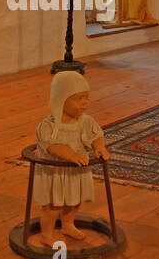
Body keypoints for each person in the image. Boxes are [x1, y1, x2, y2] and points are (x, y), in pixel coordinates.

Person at [34, 71, 108, 245]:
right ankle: (47, 234)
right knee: (53, 206)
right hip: (55, 174)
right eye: (79, 98)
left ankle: (68, 224)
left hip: (75, 172)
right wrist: (72, 155)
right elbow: (53, 146)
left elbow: (95, 134)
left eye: (87, 97)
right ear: (61, 100)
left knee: (74, 202)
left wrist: (99, 146)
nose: (85, 103)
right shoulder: (49, 126)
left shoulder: (85, 121)